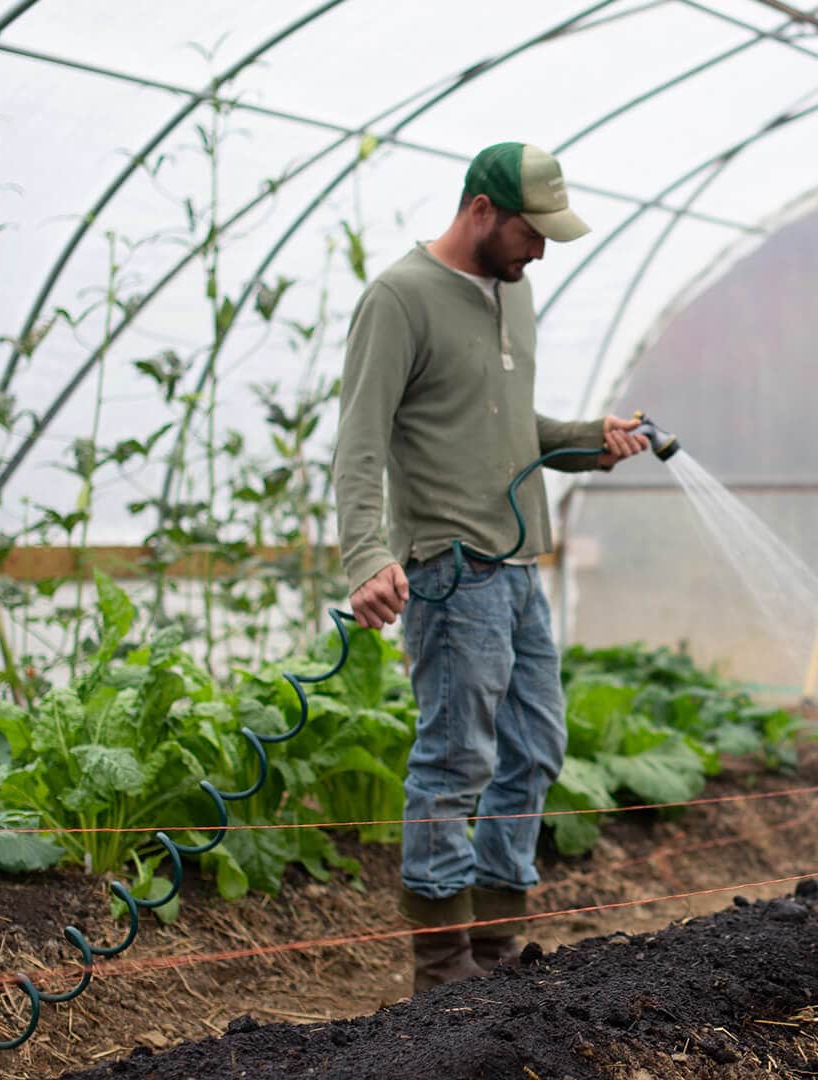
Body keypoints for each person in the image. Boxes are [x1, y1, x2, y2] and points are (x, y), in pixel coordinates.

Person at [331, 141, 650, 995]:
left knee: (536, 746)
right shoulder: (400, 299)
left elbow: (510, 430)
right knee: (454, 760)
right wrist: (367, 556)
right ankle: (442, 970)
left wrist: (592, 441)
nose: (541, 249)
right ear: (481, 210)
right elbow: (359, 443)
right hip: (451, 571)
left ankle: (498, 953)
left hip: (518, 571)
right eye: (531, 232)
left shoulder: (517, 293)